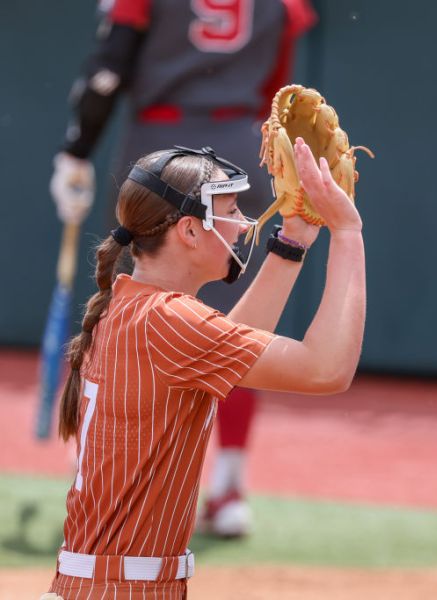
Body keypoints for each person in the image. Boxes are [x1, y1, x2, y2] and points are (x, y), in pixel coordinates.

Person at [43, 139, 365, 599]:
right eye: (230, 211)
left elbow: (231, 358)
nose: (241, 226)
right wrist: (348, 232)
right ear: (190, 231)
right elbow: (327, 370)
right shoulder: (167, 319)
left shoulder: (138, 307)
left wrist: (294, 238)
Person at [49, 0, 318, 537]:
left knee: (128, 316)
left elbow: (109, 69)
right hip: (241, 151)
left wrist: (77, 150)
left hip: (160, 154)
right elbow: (278, 91)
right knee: (235, 330)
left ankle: (100, 476)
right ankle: (230, 486)